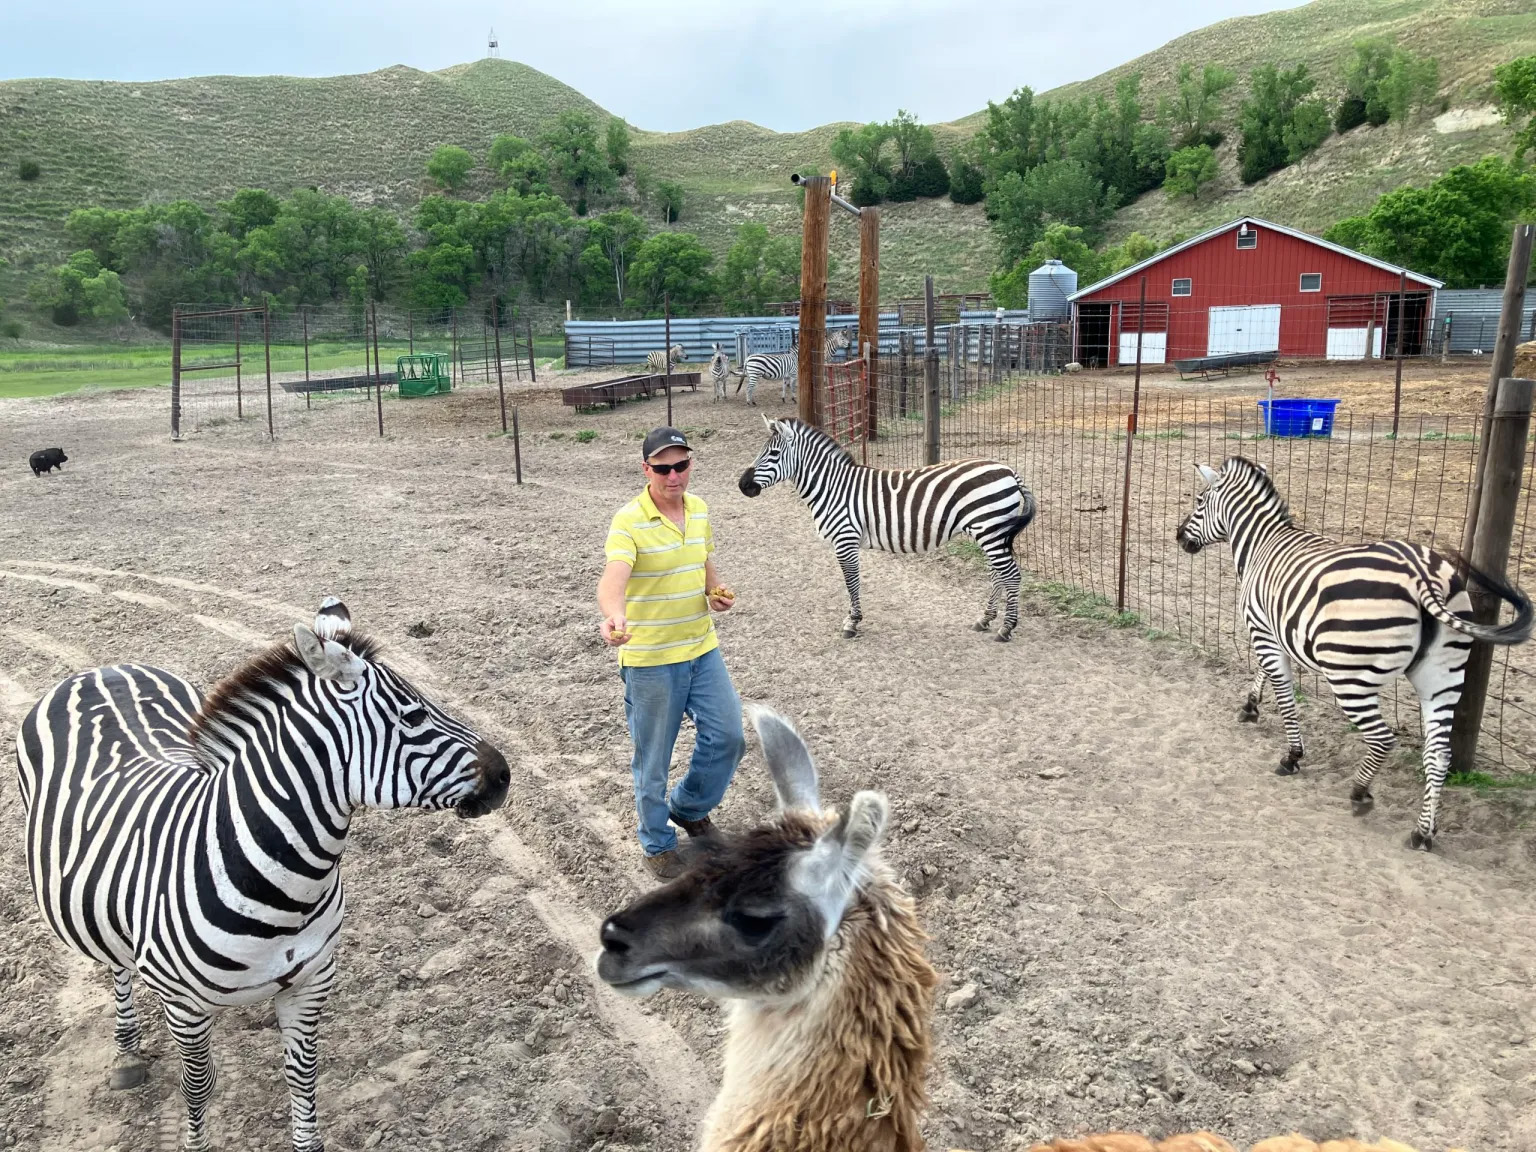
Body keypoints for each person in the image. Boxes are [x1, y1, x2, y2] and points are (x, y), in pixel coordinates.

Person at [598, 426, 745, 880]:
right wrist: (613, 616)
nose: (673, 475)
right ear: (646, 470)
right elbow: (613, 578)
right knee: (653, 759)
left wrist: (714, 591)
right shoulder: (628, 520)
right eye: (663, 468)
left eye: (681, 465)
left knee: (728, 737)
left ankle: (689, 807)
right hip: (650, 661)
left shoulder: (698, 510)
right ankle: (657, 842)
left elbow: (702, 558)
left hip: (701, 648)